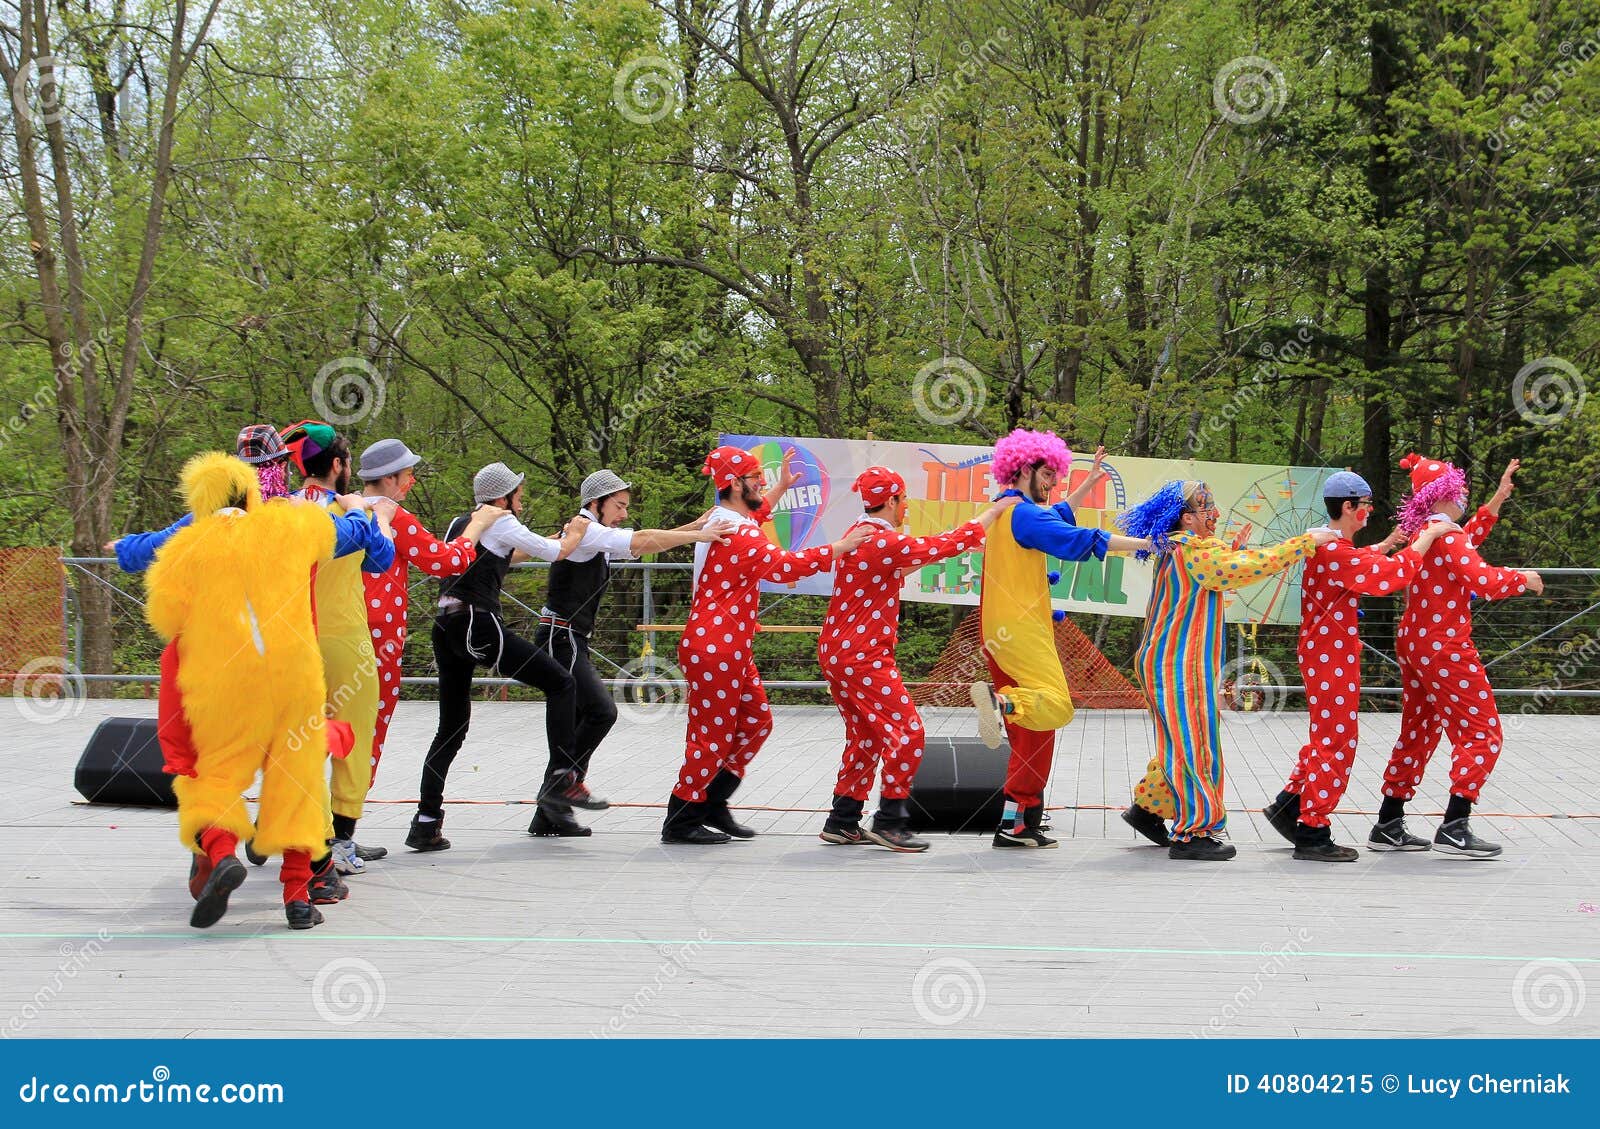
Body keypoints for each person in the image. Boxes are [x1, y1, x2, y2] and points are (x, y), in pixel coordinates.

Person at [144, 453, 342, 929]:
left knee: (211, 779)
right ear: (252, 492)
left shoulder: (182, 551)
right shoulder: (292, 526)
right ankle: (297, 896)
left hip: (224, 687)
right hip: (294, 679)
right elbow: (333, 529)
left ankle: (221, 851)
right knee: (297, 781)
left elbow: (168, 623)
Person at [660, 445, 870, 845]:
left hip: (729, 645)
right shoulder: (736, 532)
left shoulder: (730, 520)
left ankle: (712, 802)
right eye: (755, 476)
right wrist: (841, 548)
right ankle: (682, 818)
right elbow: (785, 565)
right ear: (734, 484)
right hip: (715, 646)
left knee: (756, 722)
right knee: (711, 737)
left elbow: (756, 513)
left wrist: (783, 487)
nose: (763, 482)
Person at [1115, 480, 1335, 861]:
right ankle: (1194, 833)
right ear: (1187, 519)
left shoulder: (1186, 548)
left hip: (1174, 661)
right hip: (1178, 665)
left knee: (1182, 740)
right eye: (1206, 510)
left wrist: (1236, 552)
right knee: (1196, 745)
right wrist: (1303, 542)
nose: (1215, 515)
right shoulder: (1191, 550)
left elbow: (1228, 564)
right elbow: (1242, 568)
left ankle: (1148, 808)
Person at [817, 467, 1018, 851]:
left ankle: (842, 819)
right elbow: (942, 543)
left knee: (865, 736)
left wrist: (955, 547)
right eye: (904, 499)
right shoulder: (881, 541)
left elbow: (904, 564)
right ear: (891, 501)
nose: (907, 506)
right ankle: (890, 821)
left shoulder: (860, 536)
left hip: (837, 650)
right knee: (908, 733)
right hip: (863, 655)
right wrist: (992, 513)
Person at [967, 434, 1151, 848]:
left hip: (1003, 629)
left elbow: (1058, 515)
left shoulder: (1008, 509)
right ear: (1025, 468)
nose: (1053, 482)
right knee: (1054, 706)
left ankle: (1018, 823)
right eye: (1049, 474)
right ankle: (1001, 704)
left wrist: (1089, 482)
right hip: (1021, 632)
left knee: (1035, 730)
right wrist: (1148, 544)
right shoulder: (1024, 515)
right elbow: (1079, 539)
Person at [529, 469, 732, 836]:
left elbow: (644, 538)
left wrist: (693, 526)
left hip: (571, 638)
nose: (623, 513)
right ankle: (559, 789)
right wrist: (699, 533)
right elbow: (641, 541)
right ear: (596, 503)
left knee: (579, 719)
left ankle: (550, 812)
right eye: (619, 506)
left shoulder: (592, 534)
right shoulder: (585, 529)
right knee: (601, 712)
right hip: (561, 637)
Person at [1262, 470, 1447, 861]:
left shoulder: (1331, 545)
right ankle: (1313, 830)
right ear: (1348, 507)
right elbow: (1385, 579)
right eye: (1364, 505)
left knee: (1324, 737)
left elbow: (1358, 563)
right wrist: (1424, 540)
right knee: (1337, 742)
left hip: (1327, 653)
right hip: (1330, 657)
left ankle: (1289, 805)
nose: (1369, 511)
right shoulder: (1333, 550)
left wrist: (1383, 544)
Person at [1369, 453, 1542, 858]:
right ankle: (1455, 823)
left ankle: (1388, 821)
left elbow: (1468, 539)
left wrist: (1497, 498)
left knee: (1419, 730)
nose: (1464, 495)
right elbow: (1481, 577)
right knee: (1483, 731)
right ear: (1445, 493)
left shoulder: (1428, 532)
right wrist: (1522, 579)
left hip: (1414, 643)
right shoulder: (1447, 537)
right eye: (1460, 489)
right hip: (1443, 646)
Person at [410, 462, 588, 851]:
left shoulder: (462, 522)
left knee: (451, 728)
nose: (522, 498)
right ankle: (563, 776)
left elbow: (508, 554)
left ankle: (425, 822)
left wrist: (547, 538)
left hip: (447, 626)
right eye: (519, 492)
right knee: (562, 683)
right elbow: (556, 553)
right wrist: (574, 533)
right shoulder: (503, 520)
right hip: (478, 623)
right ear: (503, 495)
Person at [357, 438, 504, 854]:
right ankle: (336, 835)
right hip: (377, 639)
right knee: (365, 733)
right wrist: (475, 527)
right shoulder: (393, 516)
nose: (411, 482)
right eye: (406, 476)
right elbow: (444, 561)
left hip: (333, 633)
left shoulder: (339, 508)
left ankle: (287, 822)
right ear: (388, 480)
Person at [281, 421, 397, 877]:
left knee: (299, 740)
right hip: (343, 639)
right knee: (352, 738)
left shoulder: (282, 507)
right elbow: (381, 560)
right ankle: (339, 843)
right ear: (337, 466)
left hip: (291, 639)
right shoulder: (349, 509)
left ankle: (288, 829)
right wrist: (377, 517)